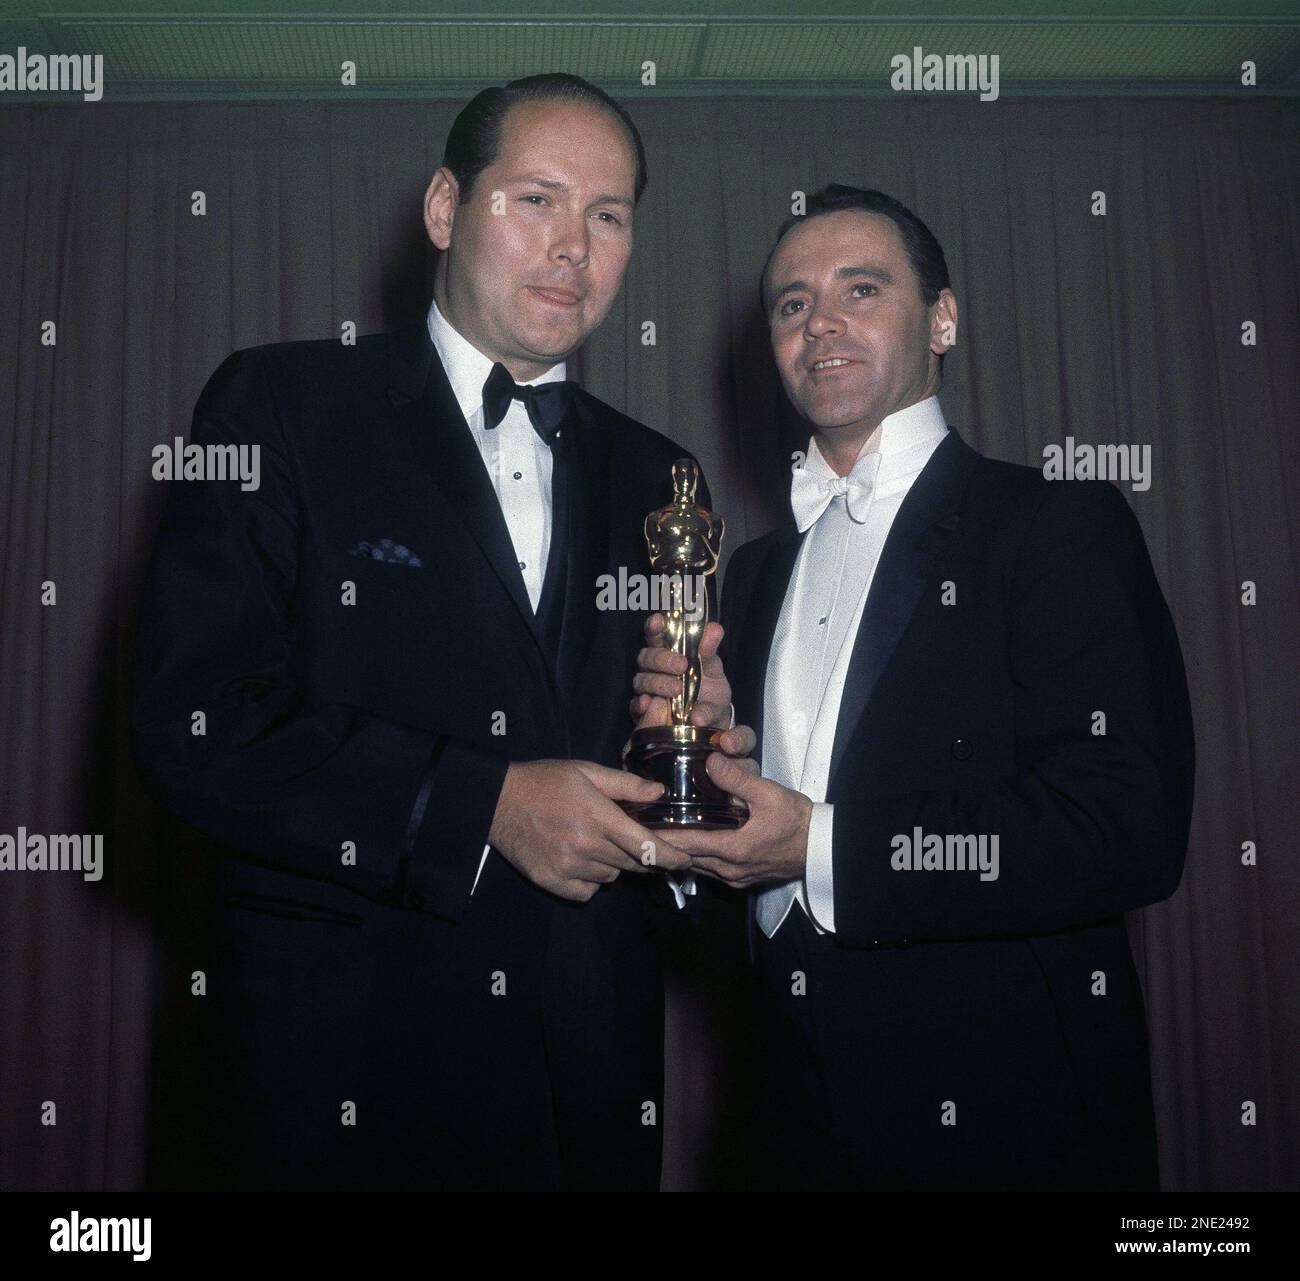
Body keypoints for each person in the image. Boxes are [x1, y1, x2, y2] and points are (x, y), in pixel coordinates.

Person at [133, 72, 748, 1192]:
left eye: (607, 216)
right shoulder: (280, 404)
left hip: (585, 1085)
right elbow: (196, 724)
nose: (574, 246)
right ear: (443, 208)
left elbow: (642, 763)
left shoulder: (665, 474)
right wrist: (485, 804)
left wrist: (692, 753)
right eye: (537, 200)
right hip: (339, 1077)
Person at [633, 184, 1195, 1190]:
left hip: (1009, 1116)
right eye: (793, 303)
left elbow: (1126, 825)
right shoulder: (750, 572)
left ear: (942, 320)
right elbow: (750, 843)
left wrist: (816, 845)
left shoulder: (1054, 522)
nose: (821, 323)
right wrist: (705, 768)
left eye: (861, 289)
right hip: (784, 1121)